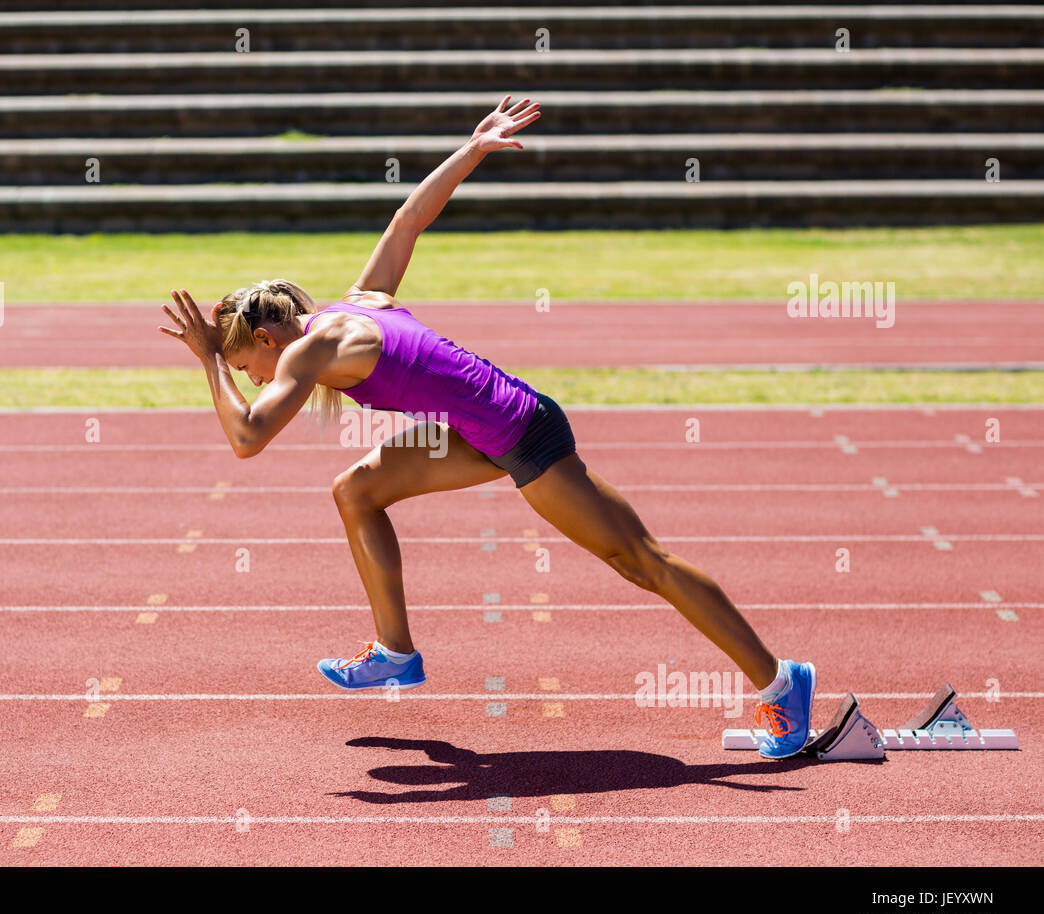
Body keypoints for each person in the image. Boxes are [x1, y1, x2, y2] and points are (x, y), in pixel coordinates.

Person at [159, 95, 816, 758]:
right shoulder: (355, 304)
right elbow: (407, 220)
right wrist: (474, 148)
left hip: (521, 432)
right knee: (356, 490)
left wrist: (209, 359)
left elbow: (246, 438)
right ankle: (395, 651)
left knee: (642, 561)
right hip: (473, 432)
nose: (251, 379)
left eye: (248, 365)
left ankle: (781, 681)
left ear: (269, 339)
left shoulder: (311, 350)